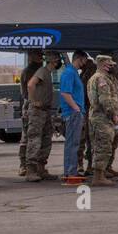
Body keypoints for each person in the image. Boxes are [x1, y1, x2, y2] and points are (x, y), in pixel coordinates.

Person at [23, 51, 62, 182]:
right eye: (57, 60)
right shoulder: (43, 71)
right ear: (53, 61)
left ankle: (41, 168)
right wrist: (33, 100)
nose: (58, 62)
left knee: (46, 139)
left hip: (45, 111)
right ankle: (31, 170)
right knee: (35, 140)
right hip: (37, 112)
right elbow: (30, 84)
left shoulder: (48, 73)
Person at [87, 55, 118, 187]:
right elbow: (105, 99)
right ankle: (98, 176)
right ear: (101, 64)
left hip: (99, 117)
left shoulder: (100, 77)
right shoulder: (101, 78)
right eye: (108, 64)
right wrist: (113, 113)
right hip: (102, 117)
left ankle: (101, 172)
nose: (111, 66)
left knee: (102, 145)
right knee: (103, 145)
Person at [59, 51, 88, 179]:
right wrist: (75, 107)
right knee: (72, 143)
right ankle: (70, 171)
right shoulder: (69, 73)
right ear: (79, 59)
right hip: (72, 113)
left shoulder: (74, 72)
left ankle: (72, 170)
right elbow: (65, 92)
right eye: (84, 60)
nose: (85, 63)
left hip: (76, 112)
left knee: (74, 142)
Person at [17, 48, 43, 177]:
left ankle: (37, 165)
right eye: (38, 54)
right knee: (28, 137)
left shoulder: (41, 70)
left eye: (41, 54)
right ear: (31, 56)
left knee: (38, 137)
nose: (40, 57)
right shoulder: (29, 71)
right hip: (30, 106)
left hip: (39, 107)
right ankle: (24, 165)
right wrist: (34, 101)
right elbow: (27, 90)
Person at [78, 54, 98, 174]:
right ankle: (88, 164)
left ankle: (84, 164)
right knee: (88, 140)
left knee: (85, 140)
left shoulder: (87, 75)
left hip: (87, 109)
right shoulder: (84, 75)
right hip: (86, 109)